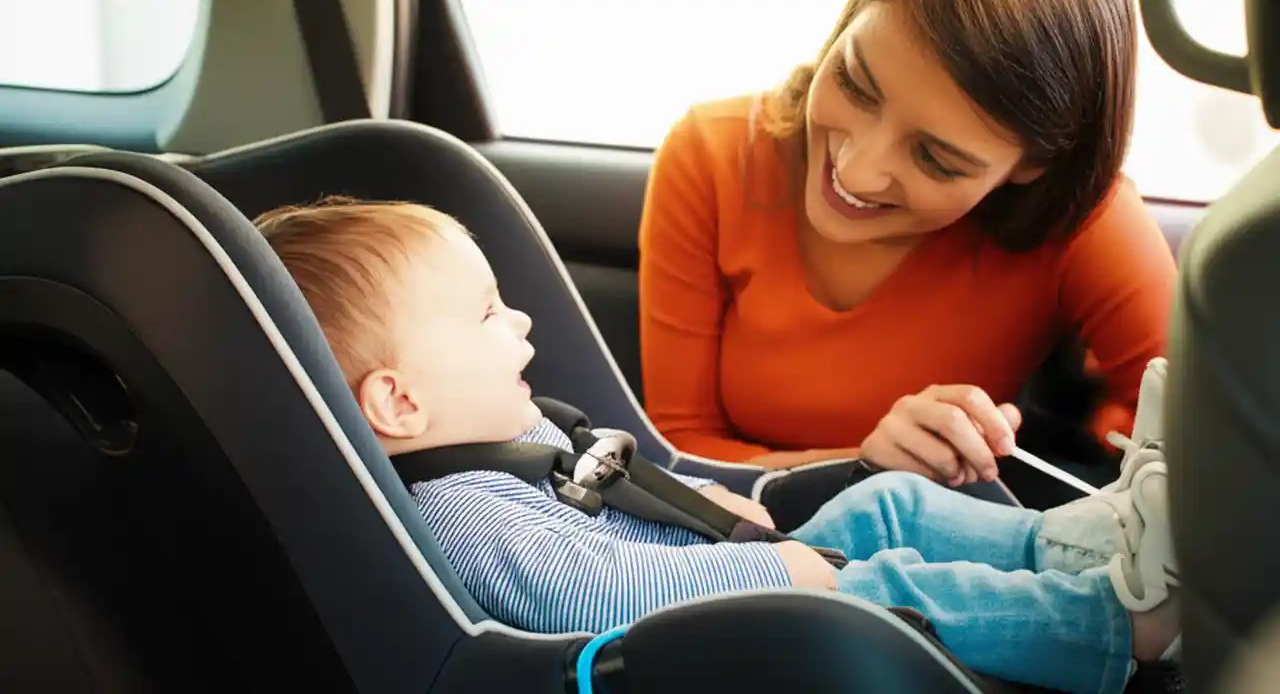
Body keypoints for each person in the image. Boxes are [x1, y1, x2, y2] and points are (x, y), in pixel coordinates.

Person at [254, 198, 1180, 694]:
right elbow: (609, 590)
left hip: (729, 562)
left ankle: (1089, 546)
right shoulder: (459, 515)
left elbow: (626, 488)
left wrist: (734, 514)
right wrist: (778, 572)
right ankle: (1116, 626)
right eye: (488, 314)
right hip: (713, 633)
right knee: (885, 584)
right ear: (401, 402)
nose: (522, 321)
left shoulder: (511, 430)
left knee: (883, 504)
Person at [637, 0, 1177, 479]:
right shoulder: (711, 154)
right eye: (854, 83)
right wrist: (864, 468)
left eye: (936, 159)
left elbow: (1209, 452)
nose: (855, 170)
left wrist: (1108, 433)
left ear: (1033, 165)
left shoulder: (1087, 225)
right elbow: (679, 451)